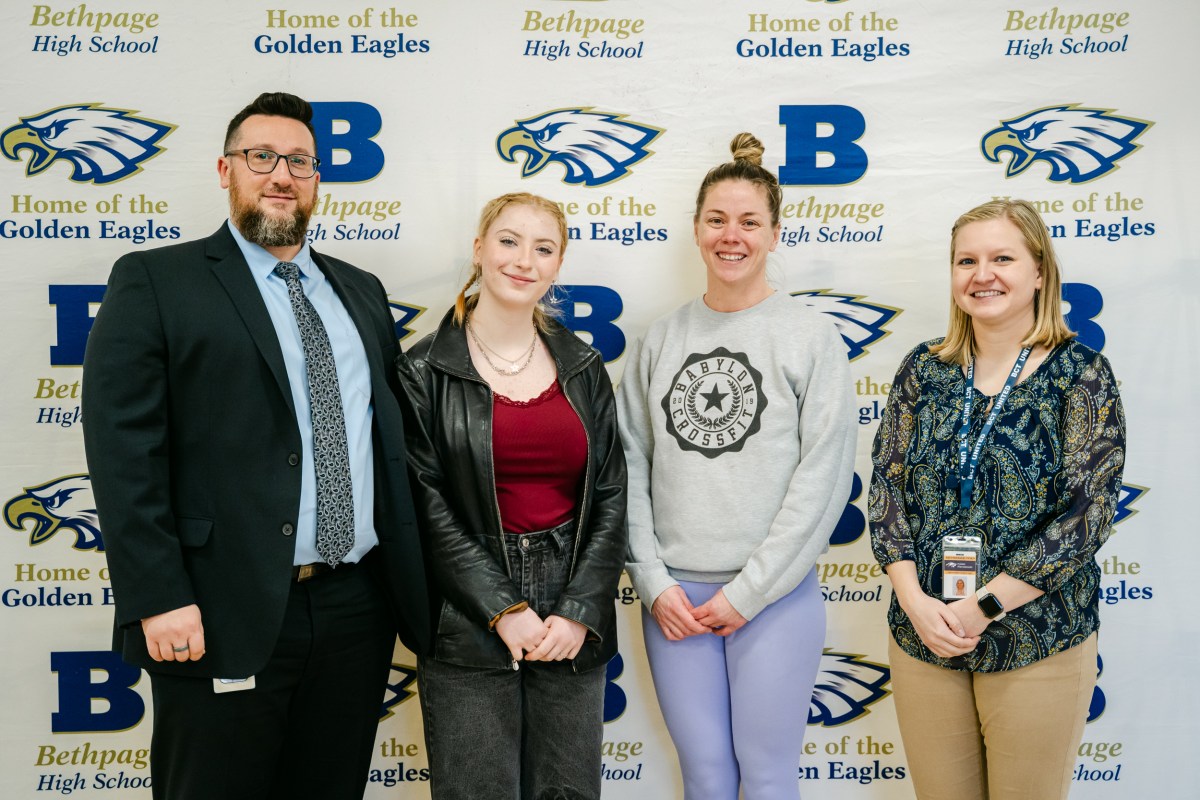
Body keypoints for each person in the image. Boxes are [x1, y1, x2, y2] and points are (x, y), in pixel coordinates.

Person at [81, 92, 430, 800]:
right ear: (224, 170)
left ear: (317, 179)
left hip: (355, 610)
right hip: (216, 610)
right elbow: (123, 453)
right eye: (261, 157)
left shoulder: (361, 292)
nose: (281, 175)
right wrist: (158, 596)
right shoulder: (157, 280)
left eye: (299, 161)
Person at [617, 133, 856, 799]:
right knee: (706, 776)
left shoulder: (809, 337)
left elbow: (826, 476)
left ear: (775, 233)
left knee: (770, 775)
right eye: (717, 220)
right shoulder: (660, 339)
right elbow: (627, 468)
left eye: (750, 222)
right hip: (675, 606)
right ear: (696, 230)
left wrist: (747, 592)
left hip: (773, 601)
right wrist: (655, 583)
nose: (732, 236)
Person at [869, 199, 1126, 799]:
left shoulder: (1081, 374)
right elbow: (886, 490)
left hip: (1037, 637)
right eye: (967, 260)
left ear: (1039, 270)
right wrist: (915, 602)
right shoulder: (924, 369)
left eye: (1002, 258)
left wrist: (980, 608)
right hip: (924, 635)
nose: (982, 274)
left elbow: (1086, 516)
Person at [396, 192, 627, 800]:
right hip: (466, 607)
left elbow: (609, 493)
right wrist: (502, 607)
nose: (524, 259)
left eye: (543, 248)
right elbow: (425, 505)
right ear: (479, 249)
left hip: (570, 604)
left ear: (557, 266)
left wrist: (580, 609)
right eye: (508, 240)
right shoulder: (423, 371)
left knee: (567, 792)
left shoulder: (583, 366)